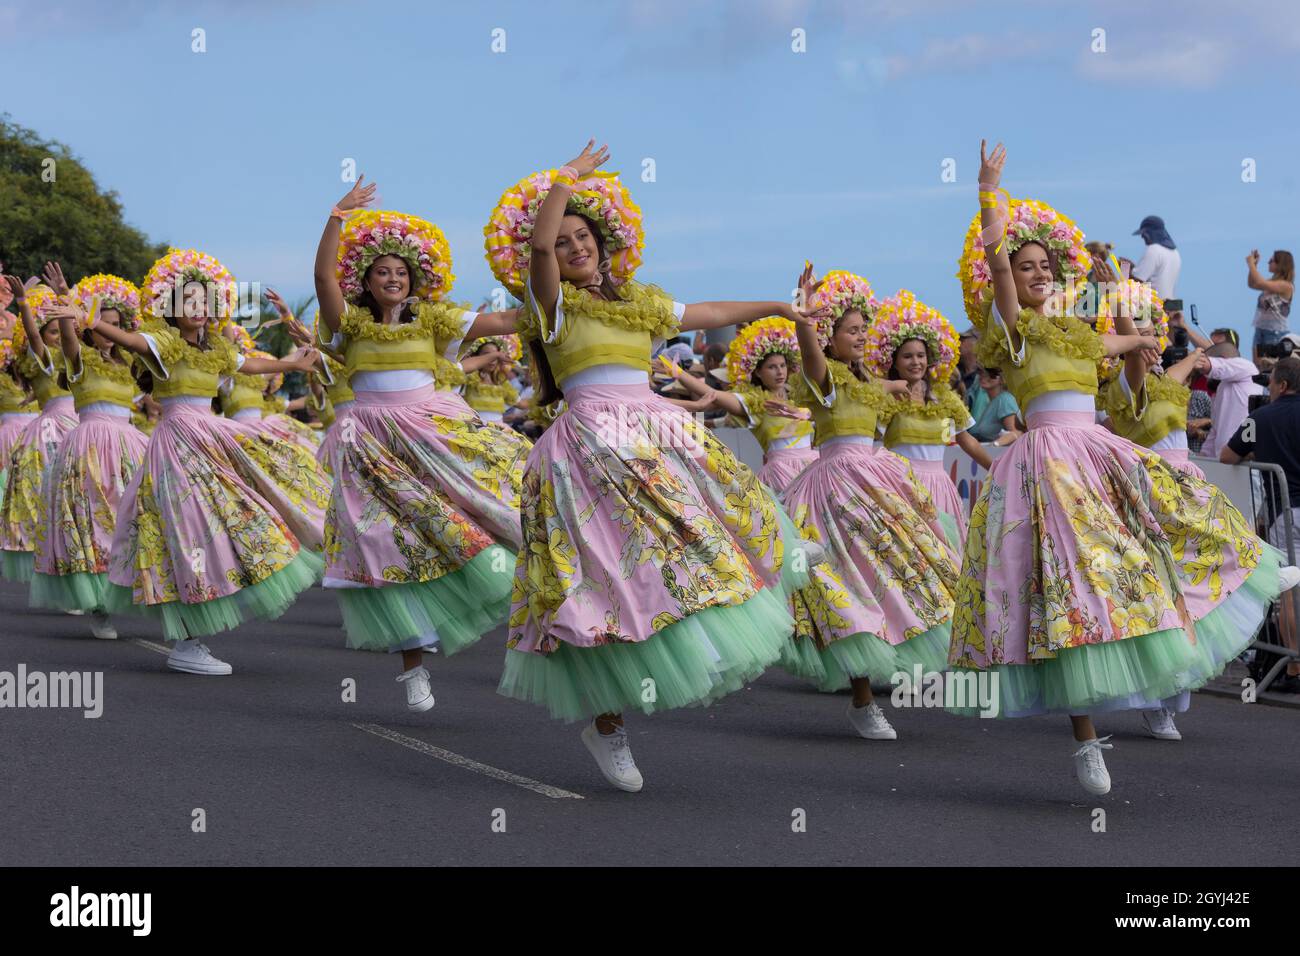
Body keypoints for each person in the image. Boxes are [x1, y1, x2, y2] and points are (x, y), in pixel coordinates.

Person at [950, 140, 1299, 797]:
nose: (1037, 275)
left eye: (1045, 266)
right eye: (1027, 268)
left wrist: (1140, 335)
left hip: (1094, 447)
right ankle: (1085, 740)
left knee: (1162, 505)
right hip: (1047, 464)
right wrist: (988, 194)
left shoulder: (1077, 332)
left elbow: (1110, 338)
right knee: (1064, 588)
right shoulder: (1015, 329)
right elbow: (996, 268)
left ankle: (1250, 566)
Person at [486, 141, 817, 791]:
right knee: (606, 583)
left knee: (704, 538)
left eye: (586, 236)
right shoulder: (551, 309)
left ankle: (695, 633)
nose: (575, 247)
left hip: (654, 439)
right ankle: (608, 726)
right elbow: (537, 251)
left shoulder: (642, 306)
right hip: (585, 454)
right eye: (567, 239)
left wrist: (778, 308)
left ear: (607, 246)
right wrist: (566, 182)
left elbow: (711, 313)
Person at [313, 183, 530, 712]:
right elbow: (322, 277)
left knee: (474, 518)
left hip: (431, 434)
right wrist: (337, 216)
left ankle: (542, 589)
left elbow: (502, 322)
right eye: (383, 271)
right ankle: (412, 663)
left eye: (402, 272)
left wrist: (548, 294)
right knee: (386, 547)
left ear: (415, 281)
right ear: (365, 278)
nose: (393, 278)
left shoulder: (436, 321)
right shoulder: (348, 325)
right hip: (370, 447)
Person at [96, 248, 323, 674]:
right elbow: (134, 340)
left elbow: (249, 363)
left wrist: (291, 362)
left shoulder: (217, 347)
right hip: (177, 442)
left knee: (235, 518)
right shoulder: (163, 342)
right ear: (172, 308)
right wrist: (91, 321)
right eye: (189, 302)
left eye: (204, 301)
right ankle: (186, 642)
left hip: (212, 436)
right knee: (186, 532)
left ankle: (190, 636)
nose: (198, 309)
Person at [780, 266, 962, 738]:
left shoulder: (867, 381)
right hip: (834, 490)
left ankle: (883, 677)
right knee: (846, 589)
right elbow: (811, 358)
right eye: (852, 329)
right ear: (830, 335)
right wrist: (804, 318)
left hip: (877, 485)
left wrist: (910, 385)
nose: (861, 335)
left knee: (905, 574)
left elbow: (890, 387)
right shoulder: (824, 377)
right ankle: (863, 701)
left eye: (865, 328)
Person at [29, 275, 148, 641]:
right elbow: (66, 339)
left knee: (135, 522)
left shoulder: (130, 362)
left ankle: (134, 590)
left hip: (129, 446)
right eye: (103, 323)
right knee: (96, 524)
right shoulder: (80, 360)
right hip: (89, 448)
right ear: (89, 326)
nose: (109, 330)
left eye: (115, 324)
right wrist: (67, 302)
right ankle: (99, 607)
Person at [868, 288, 993, 544]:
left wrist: (997, 469)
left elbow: (965, 440)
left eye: (921, 355)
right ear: (894, 361)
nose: (916, 362)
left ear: (930, 358)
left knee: (948, 558)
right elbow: (867, 442)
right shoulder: (887, 398)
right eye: (908, 356)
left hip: (939, 487)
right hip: (901, 488)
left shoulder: (944, 398)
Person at [1221, 357, 1300, 692]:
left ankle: (1293, 666)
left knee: (1290, 592)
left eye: (1270, 384)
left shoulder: (1261, 418)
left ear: (1281, 385)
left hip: (1288, 510)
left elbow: (1227, 455)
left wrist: (1258, 453)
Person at [1198, 341, 1264, 459]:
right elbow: (1216, 431)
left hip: (1244, 461)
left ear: (1223, 359)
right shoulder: (1222, 387)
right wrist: (1202, 457)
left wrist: (1193, 361)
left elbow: (1213, 367)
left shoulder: (1246, 366)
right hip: (1225, 461)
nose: (1205, 377)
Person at [1247, 249, 1294, 363]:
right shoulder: (1271, 283)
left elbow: (1259, 282)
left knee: (1270, 366)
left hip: (1275, 332)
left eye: (1272, 260)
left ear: (1280, 264)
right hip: (1260, 329)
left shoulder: (1286, 286)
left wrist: (1251, 264)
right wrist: (1254, 266)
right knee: (1258, 367)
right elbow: (1252, 284)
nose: (1268, 262)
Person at [1131, 214, 1181, 299]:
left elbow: (1137, 281)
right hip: (1169, 306)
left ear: (1150, 233)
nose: (1142, 236)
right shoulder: (1175, 253)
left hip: (1152, 308)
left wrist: (1124, 269)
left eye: (1144, 233)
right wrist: (1133, 268)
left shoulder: (1153, 250)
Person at [966, 366, 1020, 443]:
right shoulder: (993, 402)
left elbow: (1016, 433)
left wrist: (995, 444)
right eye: (980, 371)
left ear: (1002, 378)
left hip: (997, 453)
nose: (984, 375)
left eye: (991, 372)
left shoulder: (1004, 400)